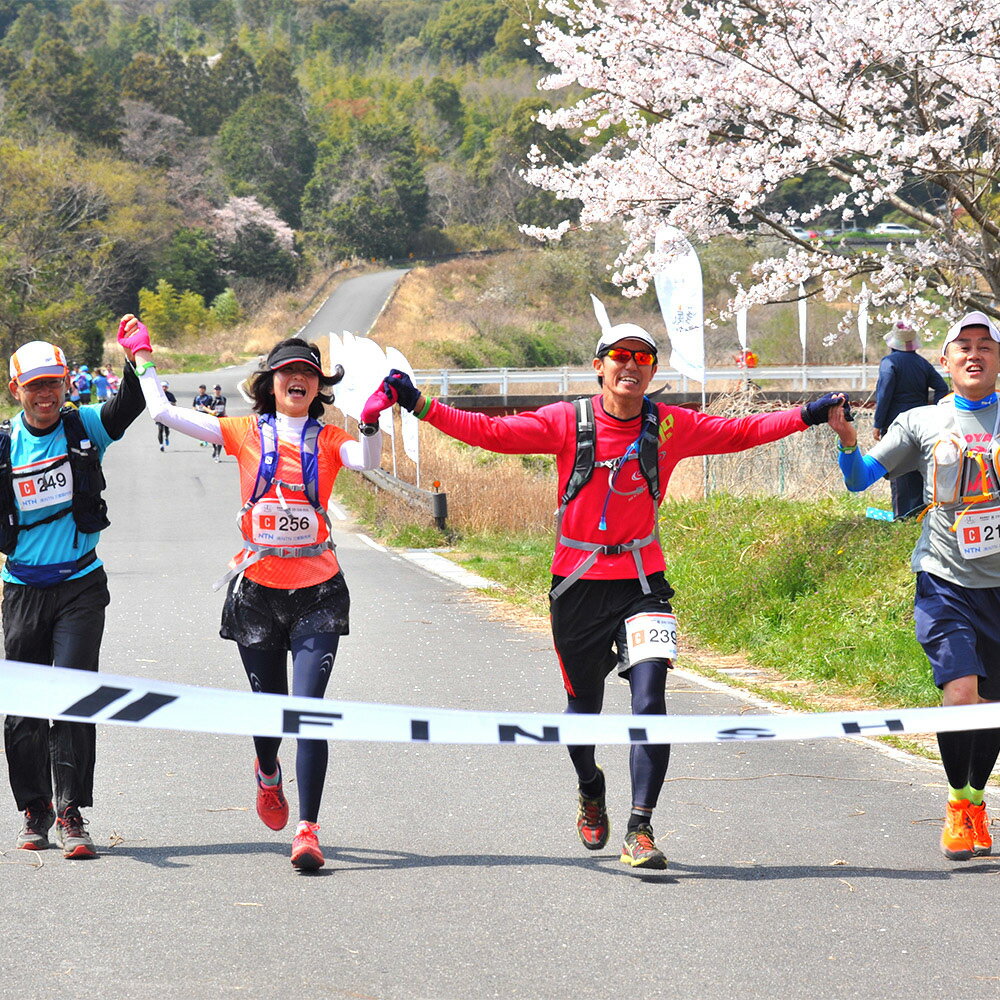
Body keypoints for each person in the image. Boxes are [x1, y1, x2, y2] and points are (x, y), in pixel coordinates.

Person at [379, 298, 844, 871]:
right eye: (619, 356)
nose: (631, 366)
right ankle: (590, 786)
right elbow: (489, 432)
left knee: (650, 701)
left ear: (654, 371)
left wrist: (810, 414)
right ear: (599, 366)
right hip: (576, 586)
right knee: (583, 712)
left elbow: (741, 431)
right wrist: (419, 403)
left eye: (643, 358)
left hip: (643, 583)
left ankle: (641, 828)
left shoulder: (668, 424)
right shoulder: (565, 421)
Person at [125, 319, 388, 871]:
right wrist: (144, 359)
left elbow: (369, 461)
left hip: (318, 593)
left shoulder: (332, 439)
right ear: (269, 382)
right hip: (258, 595)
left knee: (308, 713)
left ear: (319, 388)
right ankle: (267, 770)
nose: (298, 379)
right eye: (288, 371)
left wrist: (371, 418)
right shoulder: (244, 432)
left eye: (308, 374)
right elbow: (165, 414)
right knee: (270, 715)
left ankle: (308, 829)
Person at [828, 310, 1000, 861]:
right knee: (960, 691)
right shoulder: (922, 421)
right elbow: (859, 481)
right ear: (944, 362)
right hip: (945, 576)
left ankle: (975, 800)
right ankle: (955, 804)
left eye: (986, 346)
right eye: (963, 347)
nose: (974, 355)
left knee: (992, 704)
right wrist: (848, 441)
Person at [3, 331, 144, 859]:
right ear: (16, 387)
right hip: (22, 590)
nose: (46, 395)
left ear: (67, 383)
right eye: (35, 386)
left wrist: (135, 355)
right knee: (23, 706)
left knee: (73, 695)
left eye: (54, 384)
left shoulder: (83, 425)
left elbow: (129, 405)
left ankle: (70, 811)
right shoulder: (4, 445)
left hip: (81, 585)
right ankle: (33, 808)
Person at [873, 321, 949, 518]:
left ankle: (901, 515)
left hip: (896, 423)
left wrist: (878, 424)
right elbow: (942, 387)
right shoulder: (922, 363)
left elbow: (884, 395)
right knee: (919, 467)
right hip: (923, 423)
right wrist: (936, 410)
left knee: (898, 470)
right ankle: (919, 512)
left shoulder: (889, 363)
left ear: (892, 342)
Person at [156, 380, 177, 451]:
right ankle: (161, 445)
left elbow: (174, 404)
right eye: (163, 387)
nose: (164, 388)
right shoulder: (158, 394)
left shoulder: (170, 395)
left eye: (165, 387)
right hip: (160, 414)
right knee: (160, 430)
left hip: (168, 415)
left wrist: (169, 403)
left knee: (166, 430)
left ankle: (166, 437)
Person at [208, 383, 227, 462]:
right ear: (213, 390)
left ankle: (217, 455)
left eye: (218, 390)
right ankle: (214, 448)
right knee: (213, 437)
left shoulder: (224, 399)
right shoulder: (210, 398)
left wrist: (225, 415)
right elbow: (208, 408)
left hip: (221, 419)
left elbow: (224, 408)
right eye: (216, 389)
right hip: (213, 419)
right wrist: (211, 412)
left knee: (220, 438)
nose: (217, 391)